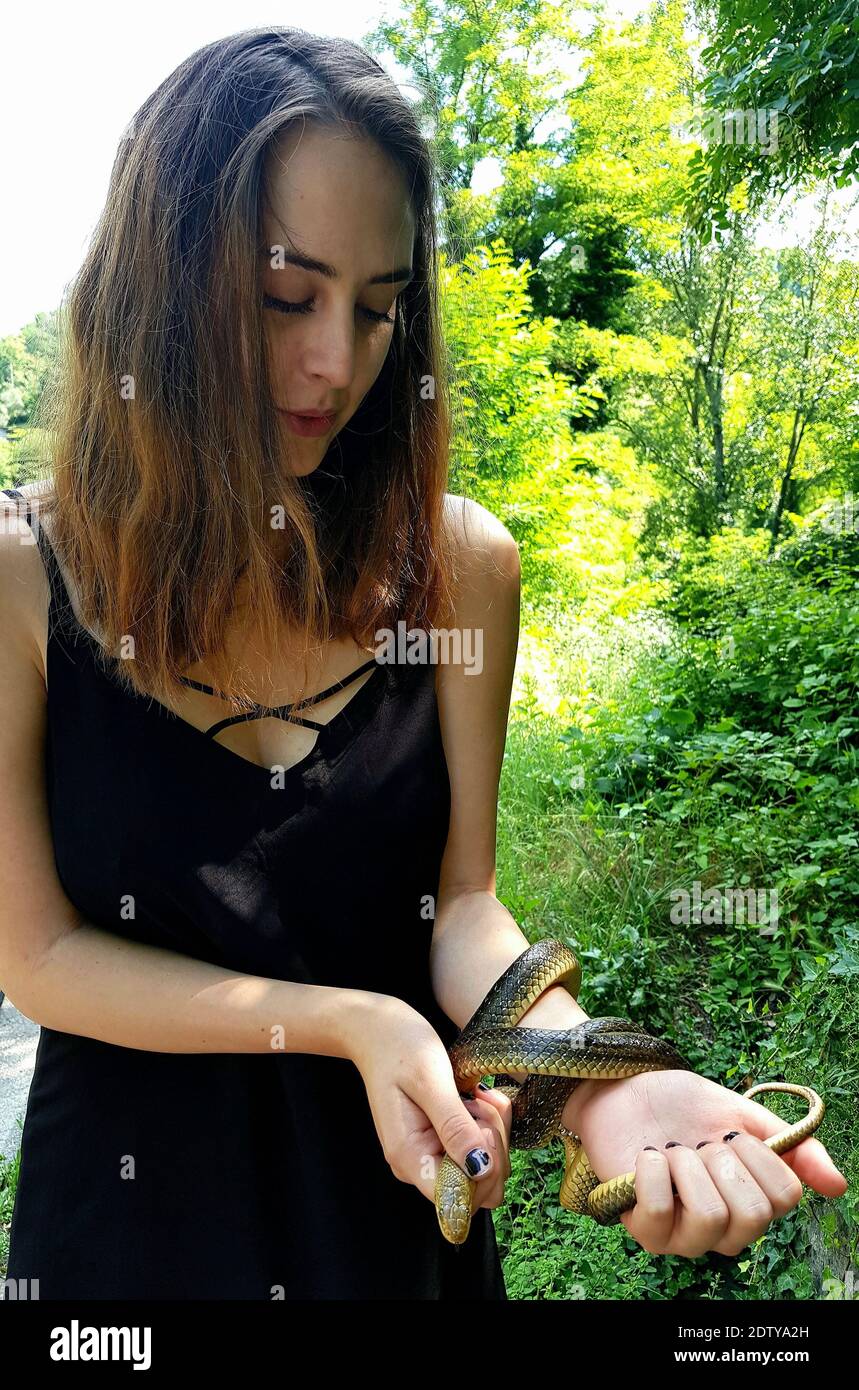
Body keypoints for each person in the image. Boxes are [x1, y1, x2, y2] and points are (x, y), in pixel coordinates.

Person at [0, 27, 846, 1301]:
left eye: (381, 305)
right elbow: (39, 956)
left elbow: (459, 906)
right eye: (288, 297)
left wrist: (590, 1077)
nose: (337, 362)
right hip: (125, 1242)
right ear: (157, 284)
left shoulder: (460, 568)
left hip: (392, 1219)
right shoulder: (22, 577)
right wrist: (350, 1018)